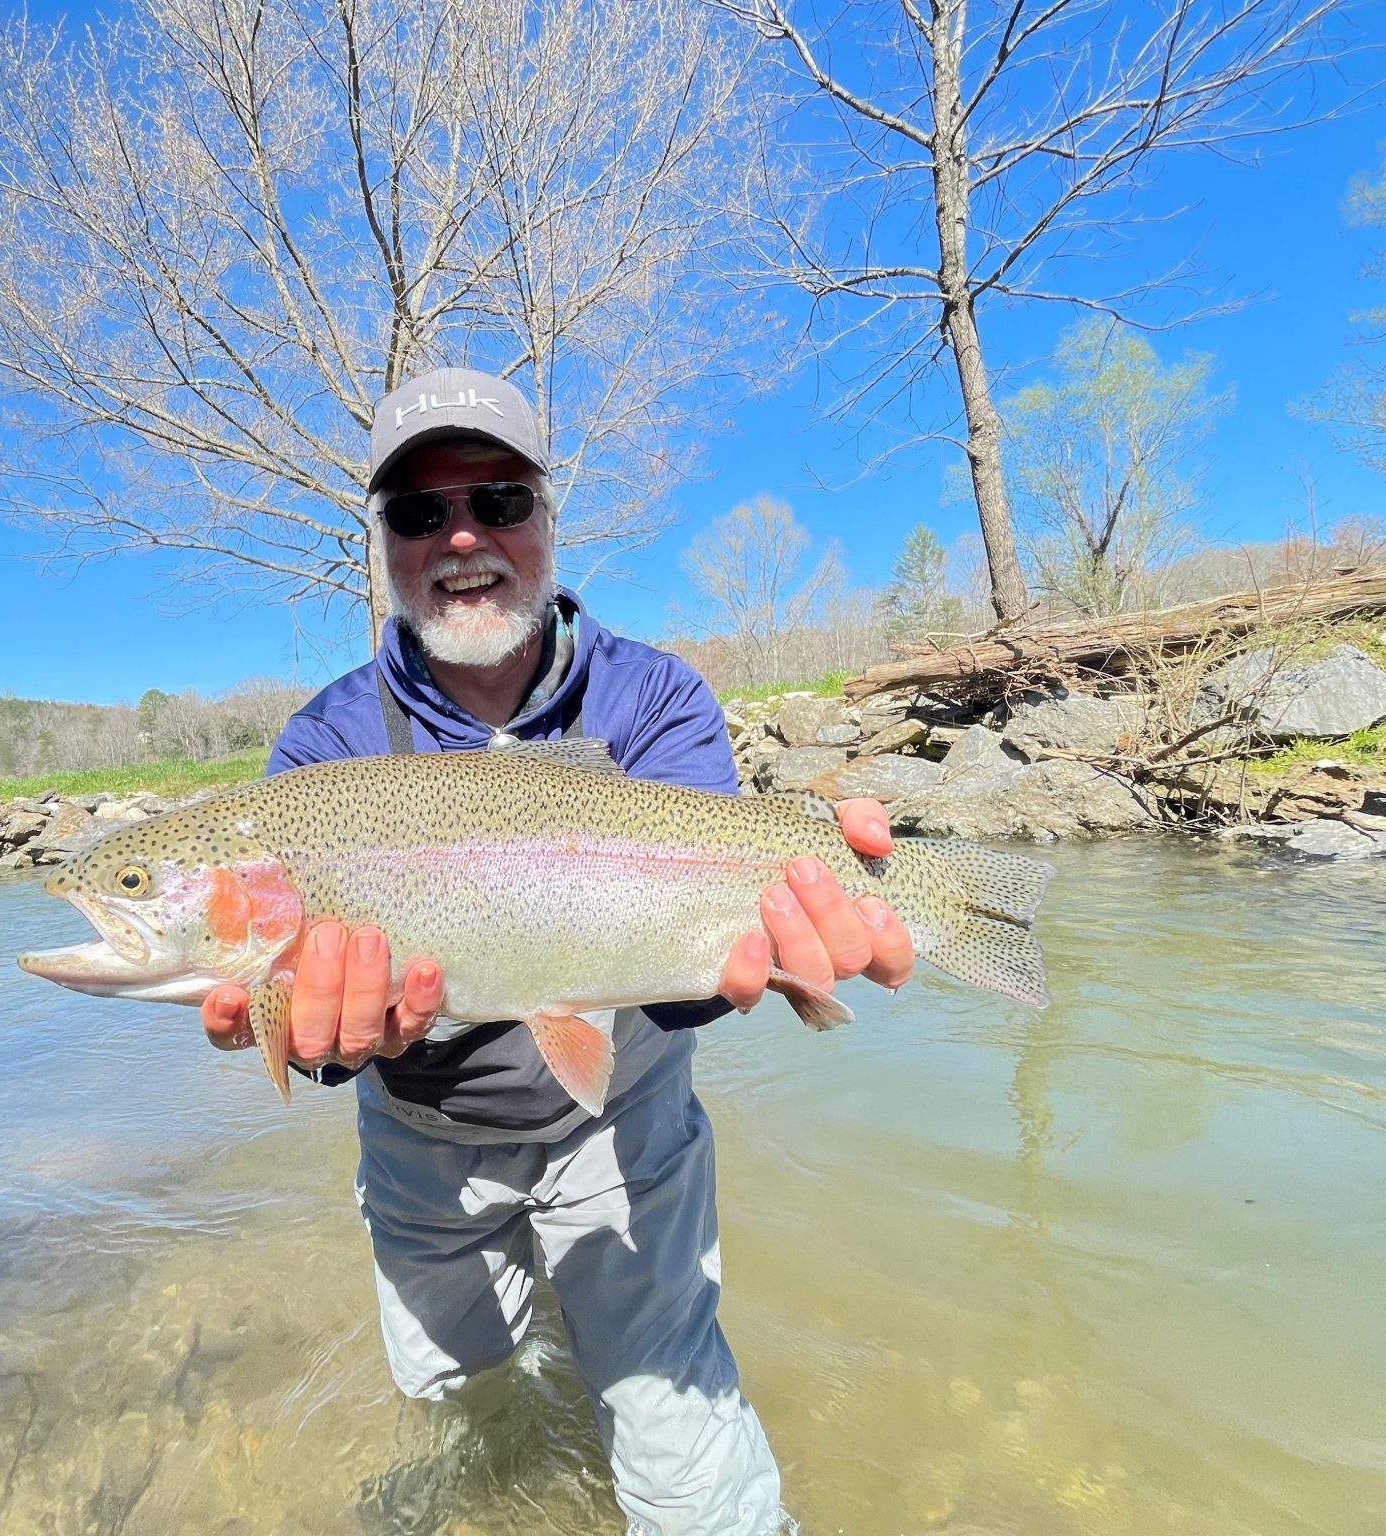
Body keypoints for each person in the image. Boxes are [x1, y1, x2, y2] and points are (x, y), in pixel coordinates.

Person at [198, 367, 913, 1535]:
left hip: (625, 1113)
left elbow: (698, 959)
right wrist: (317, 1043)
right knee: (458, 1395)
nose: (460, 536)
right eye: (418, 512)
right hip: (422, 1133)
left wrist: (777, 952)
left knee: (674, 1415)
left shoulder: (655, 697)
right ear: (385, 543)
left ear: (545, 514)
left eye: (497, 500)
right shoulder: (324, 745)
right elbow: (320, 1038)